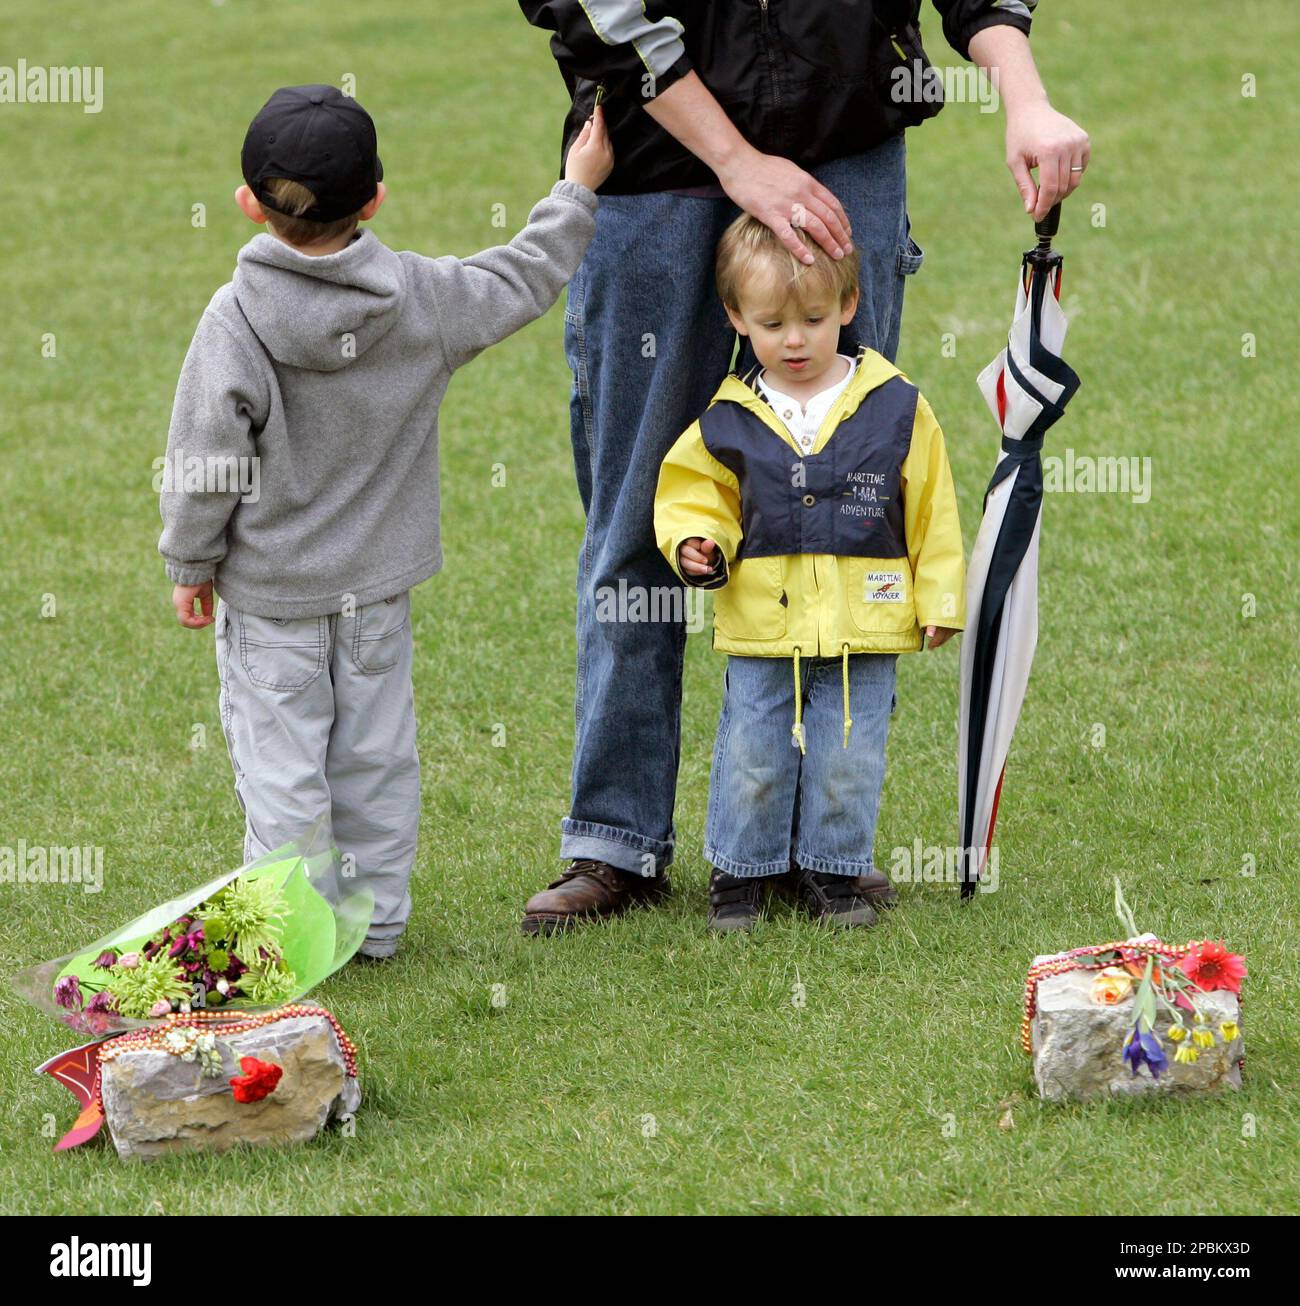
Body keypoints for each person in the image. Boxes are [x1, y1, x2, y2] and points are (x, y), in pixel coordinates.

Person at [518, 0, 1088, 935]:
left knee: (849, 516)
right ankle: (615, 843)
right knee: (636, 526)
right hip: (657, 165)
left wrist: (1022, 95)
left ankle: (815, 849)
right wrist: (739, 163)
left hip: (843, 147)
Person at [158, 84, 613, 957]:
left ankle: (292, 938)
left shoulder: (236, 317)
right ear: (374, 199)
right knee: (374, 761)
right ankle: (376, 933)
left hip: (272, 600)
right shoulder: (421, 298)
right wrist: (575, 186)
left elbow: (204, 458)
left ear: (249, 203)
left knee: (284, 772)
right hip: (379, 596)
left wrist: (190, 560)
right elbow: (523, 277)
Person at [654, 215, 963, 931]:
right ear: (736, 318)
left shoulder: (896, 407)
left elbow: (932, 507)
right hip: (765, 623)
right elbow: (692, 494)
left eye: (814, 319)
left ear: (849, 306)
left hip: (869, 623)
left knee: (850, 756)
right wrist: (697, 541)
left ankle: (833, 870)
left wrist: (940, 596)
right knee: (754, 753)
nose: (795, 340)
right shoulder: (727, 418)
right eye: (772, 323)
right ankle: (741, 873)